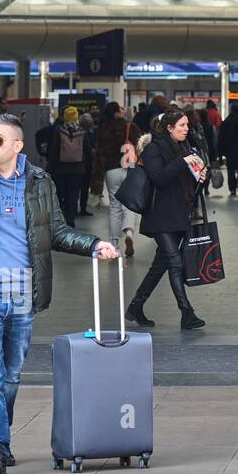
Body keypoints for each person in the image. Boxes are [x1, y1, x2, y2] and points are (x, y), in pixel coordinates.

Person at [0, 112, 115, 474]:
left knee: (11, 377)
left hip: (21, 295)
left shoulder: (39, 181)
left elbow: (57, 232)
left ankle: (1, 435)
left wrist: (94, 244)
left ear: (18, 145)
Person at [126, 110, 207, 330]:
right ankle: (186, 312)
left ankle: (135, 306)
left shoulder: (185, 147)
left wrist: (199, 177)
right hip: (160, 216)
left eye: (187, 125)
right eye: (181, 125)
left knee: (160, 265)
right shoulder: (153, 149)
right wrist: (183, 162)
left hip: (180, 213)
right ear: (169, 128)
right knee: (174, 261)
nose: (186, 129)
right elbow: (159, 178)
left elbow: (188, 181)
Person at [103, 110, 141, 261]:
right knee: (129, 204)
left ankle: (114, 244)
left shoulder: (105, 128)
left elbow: (99, 151)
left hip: (111, 170)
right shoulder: (130, 126)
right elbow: (141, 145)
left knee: (114, 206)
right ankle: (129, 233)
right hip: (129, 167)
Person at [48, 106, 87, 225]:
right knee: (74, 194)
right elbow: (87, 150)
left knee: (61, 193)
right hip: (77, 169)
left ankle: (62, 216)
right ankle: (71, 218)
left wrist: (50, 167)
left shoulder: (59, 130)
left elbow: (54, 150)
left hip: (61, 168)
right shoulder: (81, 131)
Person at [218, 104, 238, 196]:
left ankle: (232, 188)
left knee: (231, 169)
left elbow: (221, 137)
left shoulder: (226, 122)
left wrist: (220, 154)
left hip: (229, 150)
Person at [76, 112, 96, 215]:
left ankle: (80, 208)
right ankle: (80, 208)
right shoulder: (83, 134)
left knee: (81, 188)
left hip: (83, 164)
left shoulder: (79, 132)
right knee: (82, 188)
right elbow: (89, 149)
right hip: (83, 163)